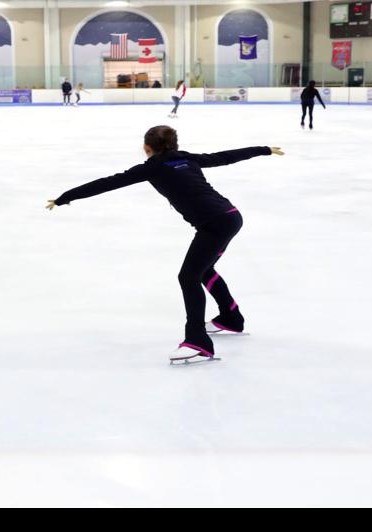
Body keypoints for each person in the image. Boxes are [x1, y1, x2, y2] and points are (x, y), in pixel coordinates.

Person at [46, 125, 285, 364]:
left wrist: (64, 197)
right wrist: (263, 149)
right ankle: (230, 318)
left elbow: (107, 183)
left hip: (216, 224)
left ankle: (198, 342)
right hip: (229, 216)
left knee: (189, 277)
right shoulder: (187, 158)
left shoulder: (152, 167)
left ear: (146, 148)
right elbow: (224, 157)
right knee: (203, 271)